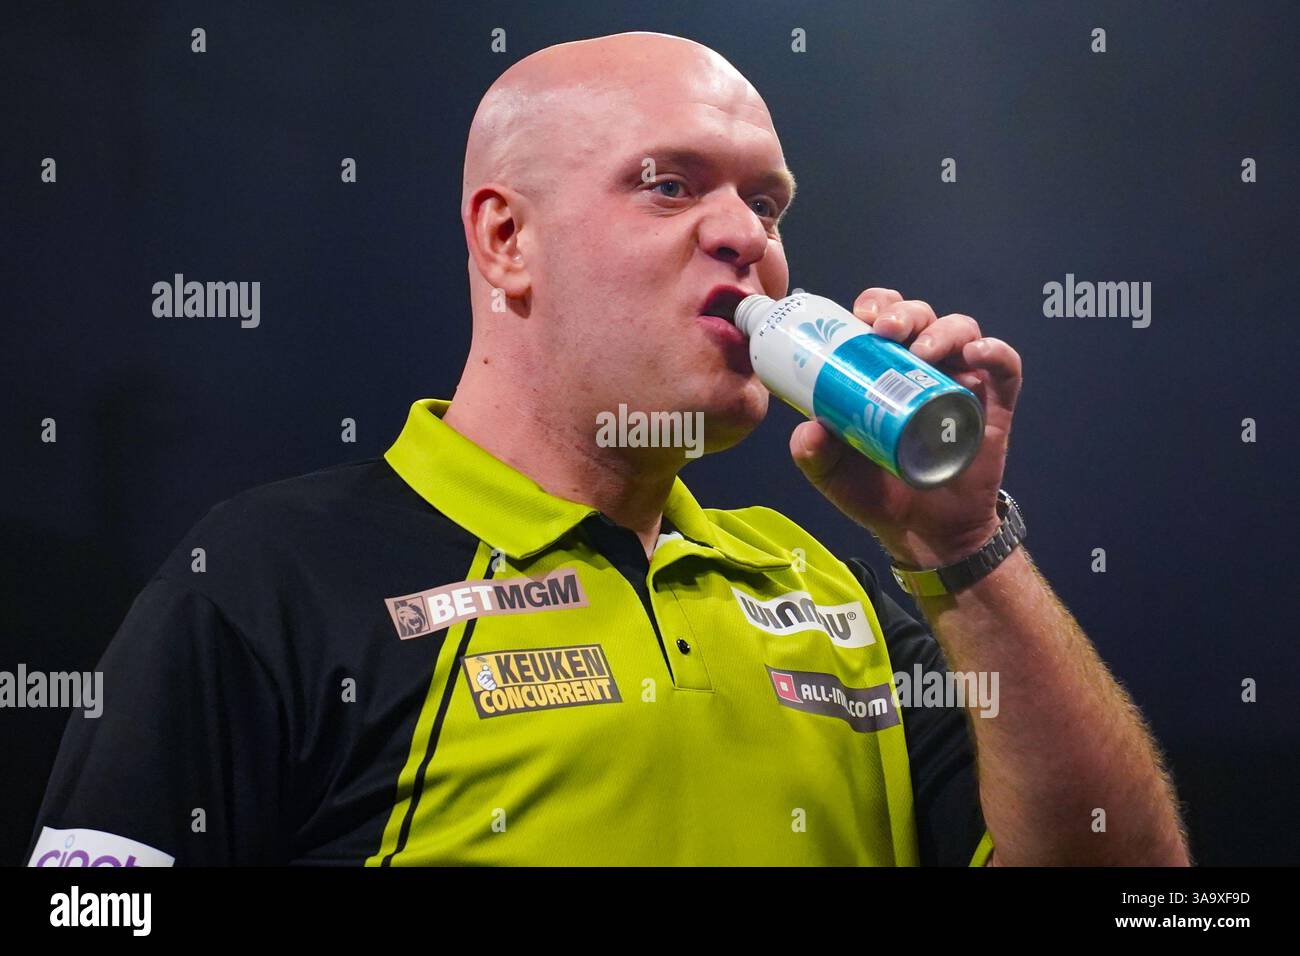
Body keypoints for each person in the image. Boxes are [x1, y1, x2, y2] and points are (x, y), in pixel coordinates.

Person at [27, 31, 1189, 867]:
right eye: (669, 186)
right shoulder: (270, 578)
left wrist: (962, 545)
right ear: (507, 240)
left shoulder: (836, 592)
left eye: (768, 204)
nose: (746, 236)